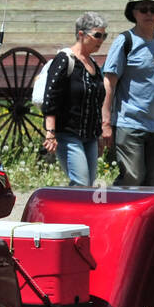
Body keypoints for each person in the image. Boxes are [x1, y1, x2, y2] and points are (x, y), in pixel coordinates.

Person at [101, 0, 154, 186]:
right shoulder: (125, 41)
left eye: (153, 10)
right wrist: (106, 123)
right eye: (143, 9)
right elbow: (109, 83)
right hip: (131, 123)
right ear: (134, 13)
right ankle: (116, 210)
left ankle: (147, 217)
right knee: (133, 177)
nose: (149, 14)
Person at [41, 12, 109, 186]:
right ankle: (66, 212)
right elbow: (51, 97)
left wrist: (99, 135)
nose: (101, 40)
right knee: (81, 182)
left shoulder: (93, 64)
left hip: (90, 136)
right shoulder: (65, 60)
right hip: (68, 134)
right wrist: (50, 132)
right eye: (98, 35)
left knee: (89, 183)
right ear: (81, 34)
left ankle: (75, 213)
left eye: (104, 35)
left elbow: (97, 101)